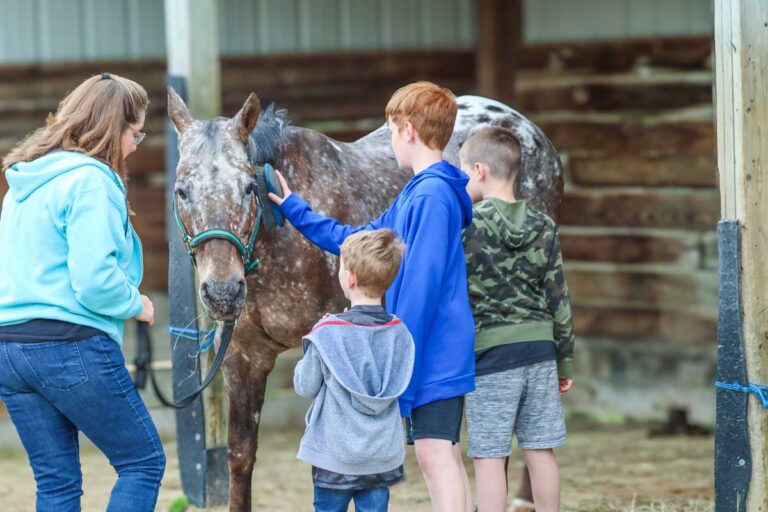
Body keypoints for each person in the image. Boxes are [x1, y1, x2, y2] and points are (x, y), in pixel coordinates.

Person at [270, 81, 475, 511]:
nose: (388, 138)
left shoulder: (434, 196)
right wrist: (296, 210)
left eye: (388, 128)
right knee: (439, 454)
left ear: (408, 130)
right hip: (423, 348)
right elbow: (358, 240)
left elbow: (423, 284)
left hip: (432, 349)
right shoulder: (417, 192)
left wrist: (396, 354)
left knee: (437, 455)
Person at [0, 73, 165, 512]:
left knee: (56, 483)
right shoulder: (91, 180)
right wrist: (137, 304)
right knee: (142, 462)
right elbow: (93, 280)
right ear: (114, 128)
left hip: (11, 350)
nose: (135, 145)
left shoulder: (22, 187)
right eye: (135, 133)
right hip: (69, 345)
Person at [459, 126, 575, 512]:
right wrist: (565, 359)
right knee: (540, 450)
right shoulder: (544, 225)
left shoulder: (468, 226)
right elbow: (558, 297)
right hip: (540, 350)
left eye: (462, 171)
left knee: (489, 454)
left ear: (479, 171)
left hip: (492, 354)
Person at [294, 229, 414, 512]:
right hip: (381, 457)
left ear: (349, 278)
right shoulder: (400, 332)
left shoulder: (327, 332)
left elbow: (305, 386)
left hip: (335, 457)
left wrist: (317, 339)